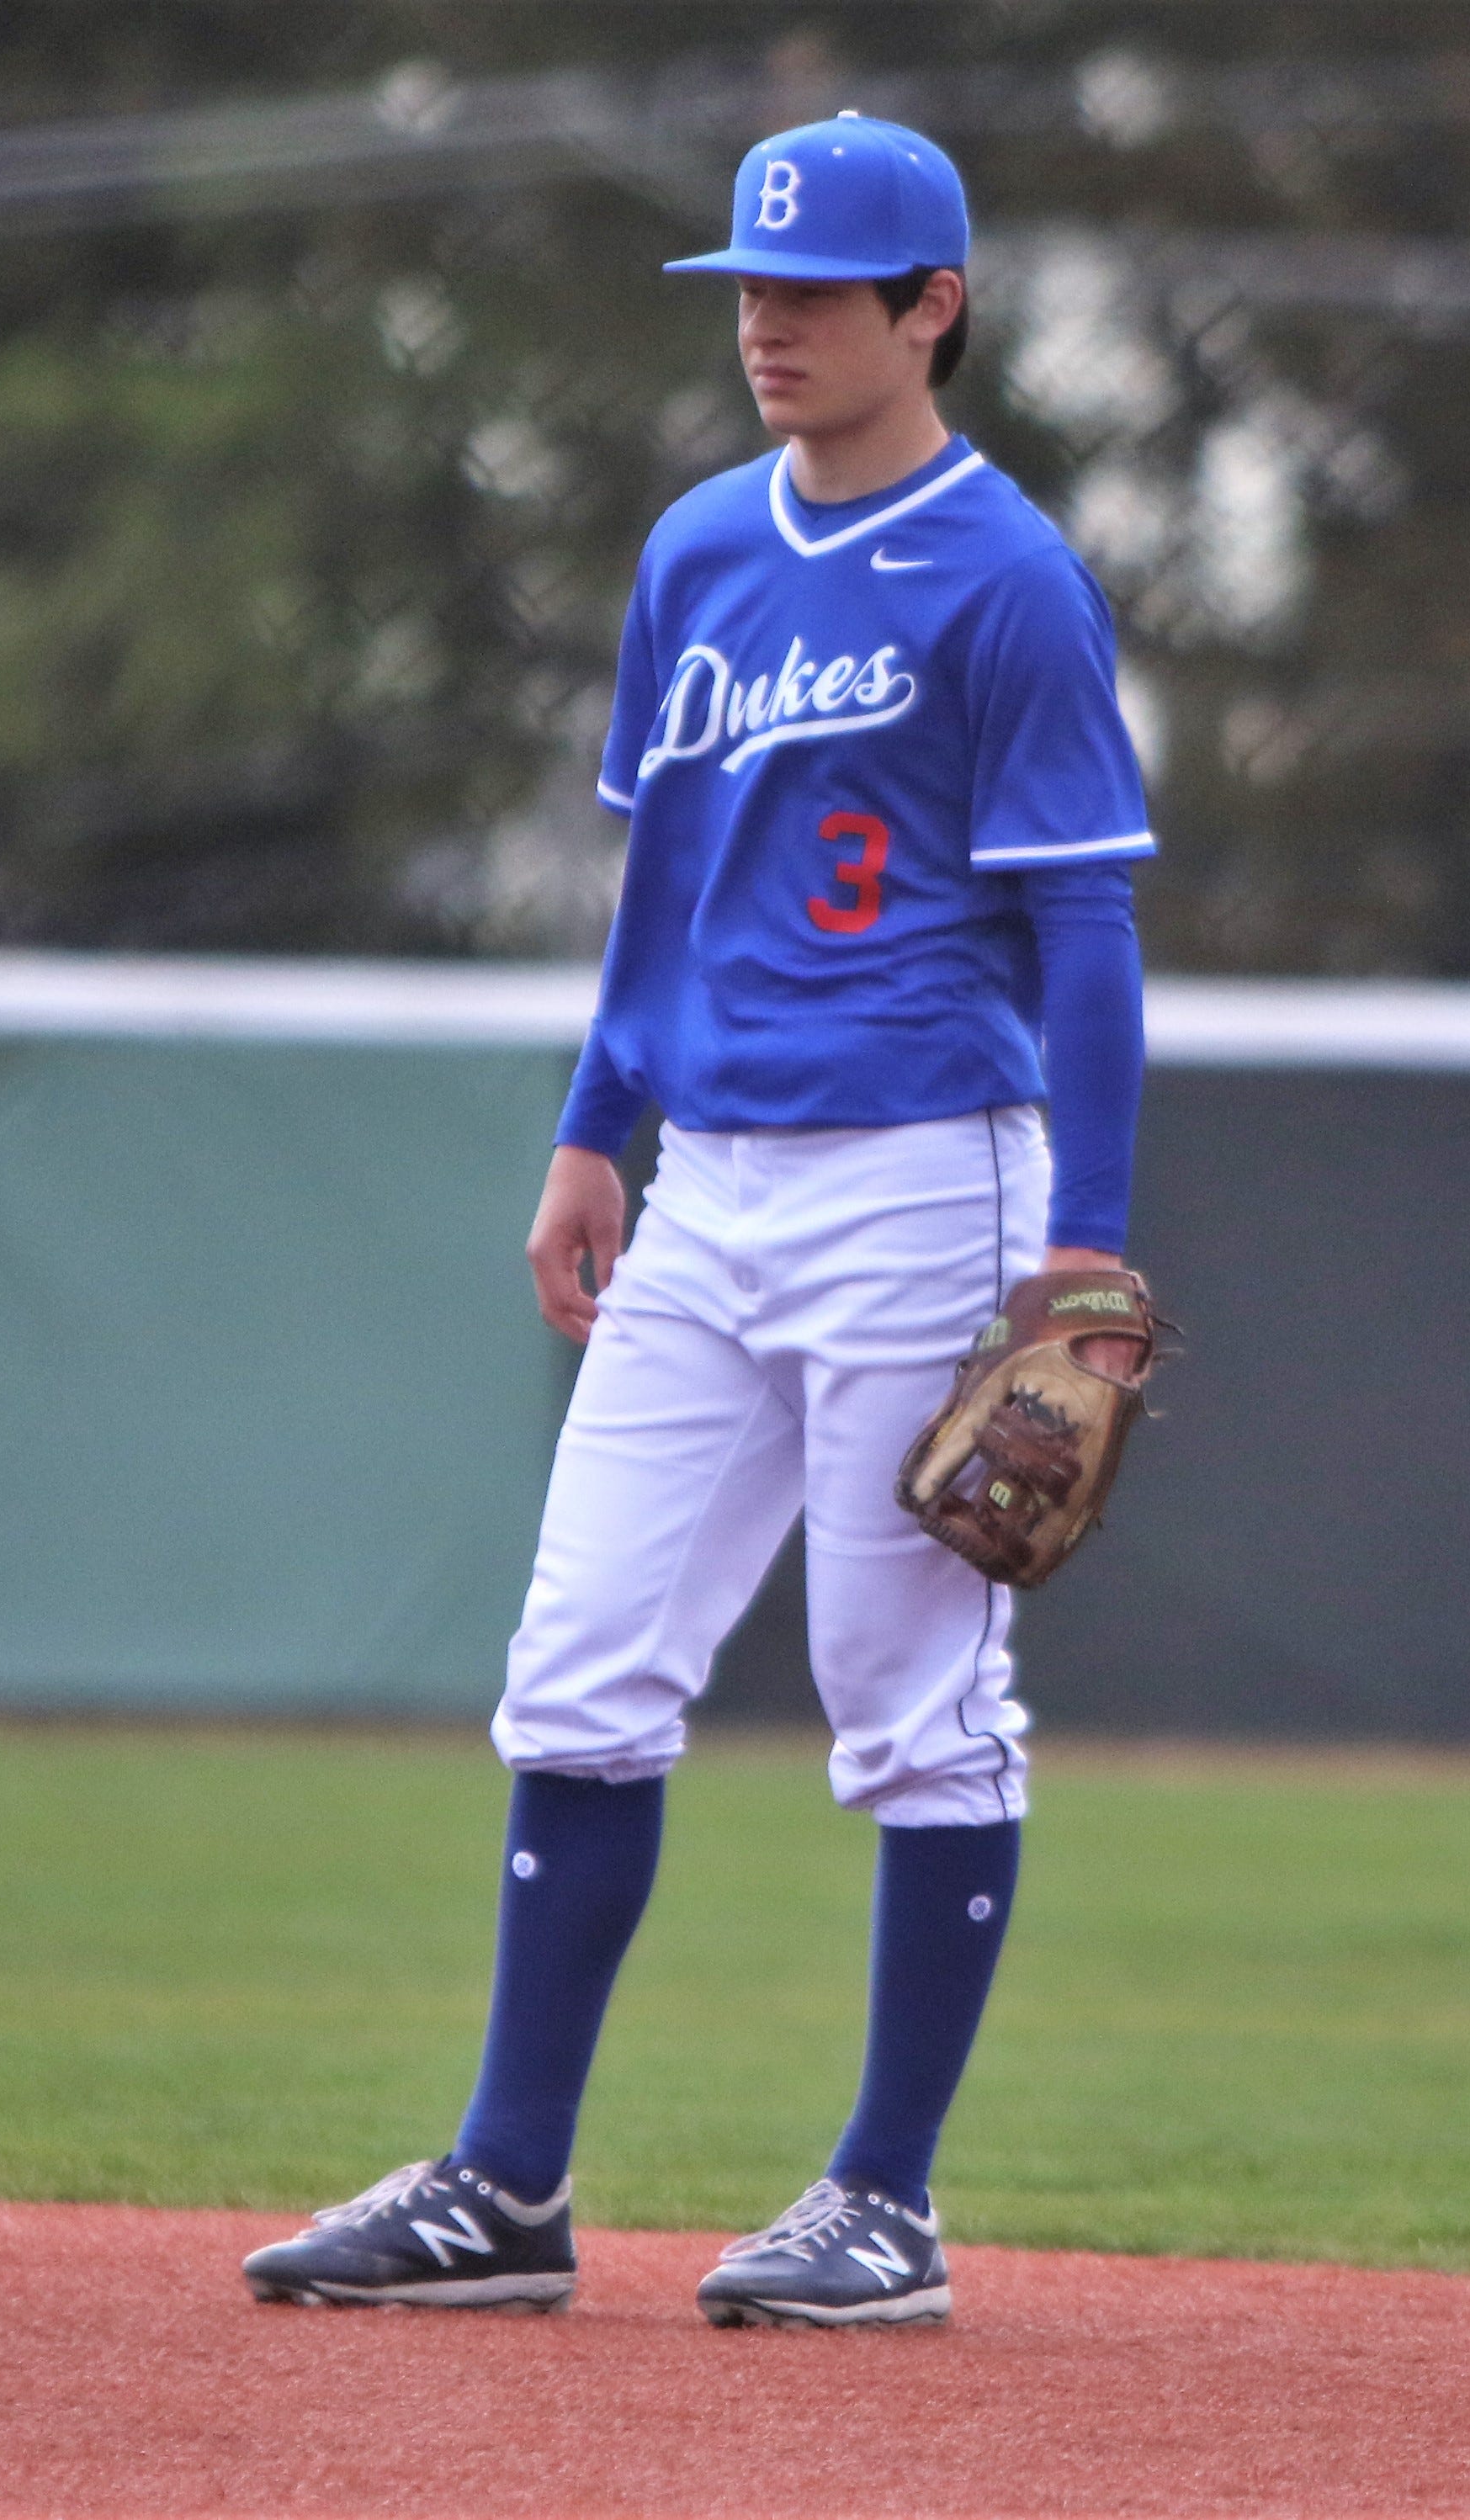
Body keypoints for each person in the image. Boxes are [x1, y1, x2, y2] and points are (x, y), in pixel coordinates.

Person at [241, 112, 1155, 2329]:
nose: (767, 326)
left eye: (816, 292)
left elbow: (1091, 941)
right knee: (576, 1669)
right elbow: (659, 885)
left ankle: (884, 2198)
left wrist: (1084, 1254)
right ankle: (507, 2183)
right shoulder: (698, 555)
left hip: (930, 1170)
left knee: (909, 1699)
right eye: (746, 290)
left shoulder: (1004, 572)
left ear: (926, 306)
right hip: (706, 1182)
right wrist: (589, 1127)